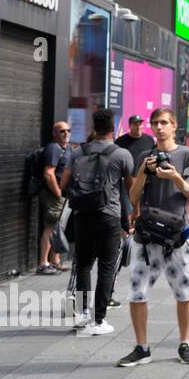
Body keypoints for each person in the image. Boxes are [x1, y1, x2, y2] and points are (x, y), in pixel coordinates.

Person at [118, 106, 189, 367]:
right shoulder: (145, 155)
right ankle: (142, 347)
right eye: (155, 123)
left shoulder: (188, 155)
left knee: (185, 293)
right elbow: (133, 198)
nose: (159, 127)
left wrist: (174, 176)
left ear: (174, 126)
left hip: (177, 236)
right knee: (136, 293)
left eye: (164, 122)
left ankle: (184, 343)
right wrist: (143, 170)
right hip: (148, 237)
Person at [66, 108, 135, 337]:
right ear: (113, 128)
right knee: (107, 267)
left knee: (83, 264)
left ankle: (82, 313)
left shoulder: (77, 152)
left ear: (93, 128)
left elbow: (65, 183)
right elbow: (131, 188)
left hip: (82, 215)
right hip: (109, 216)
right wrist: (132, 214)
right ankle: (99, 320)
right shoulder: (121, 154)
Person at [37, 121, 74, 275]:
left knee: (58, 227)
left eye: (68, 131)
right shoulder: (53, 148)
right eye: (61, 131)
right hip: (53, 196)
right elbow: (49, 173)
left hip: (63, 195)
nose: (66, 133)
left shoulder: (67, 148)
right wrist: (58, 193)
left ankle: (55, 261)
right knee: (50, 227)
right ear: (54, 133)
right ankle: (43, 263)